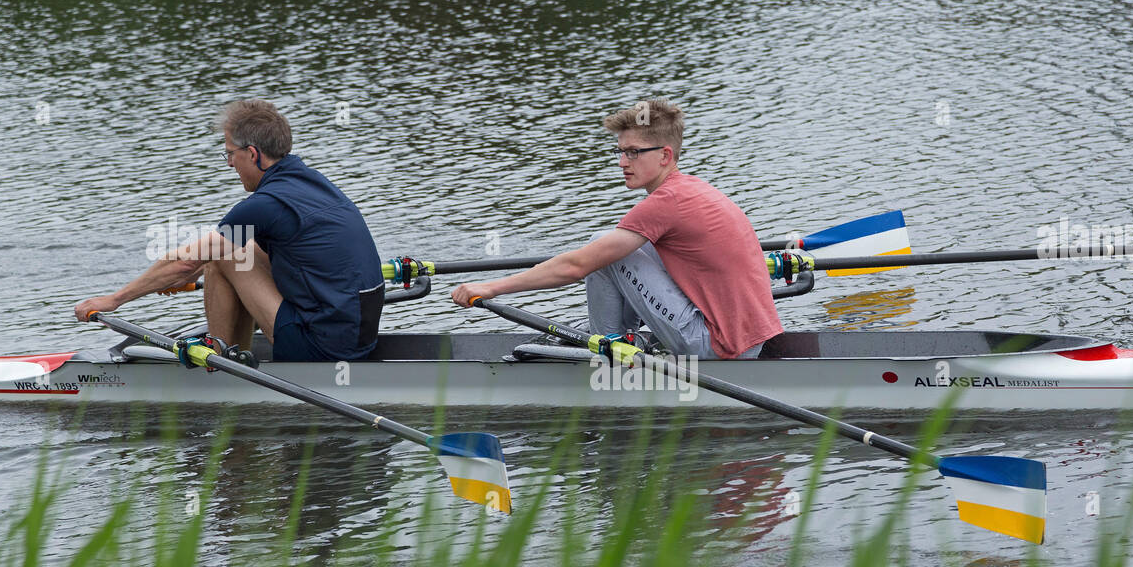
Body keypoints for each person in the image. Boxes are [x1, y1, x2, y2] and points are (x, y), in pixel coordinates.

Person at [450, 98, 782, 359]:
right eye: (620, 152)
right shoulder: (693, 190)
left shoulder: (666, 203)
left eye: (634, 153)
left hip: (716, 348)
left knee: (603, 249)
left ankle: (607, 353)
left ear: (665, 155)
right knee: (624, 247)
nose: (622, 162)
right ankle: (621, 340)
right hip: (749, 340)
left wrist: (491, 288)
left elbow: (577, 266)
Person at [74, 99, 384, 362]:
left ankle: (219, 364)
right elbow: (269, 252)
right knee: (228, 252)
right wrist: (192, 271)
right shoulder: (312, 181)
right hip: (358, 336)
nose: (229, 164)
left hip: (322, 348)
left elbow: (184, 261)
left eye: (230, 154)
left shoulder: (264, 204)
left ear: (252, 154)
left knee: (220, 255)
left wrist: (114, 299)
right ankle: (233, 353)